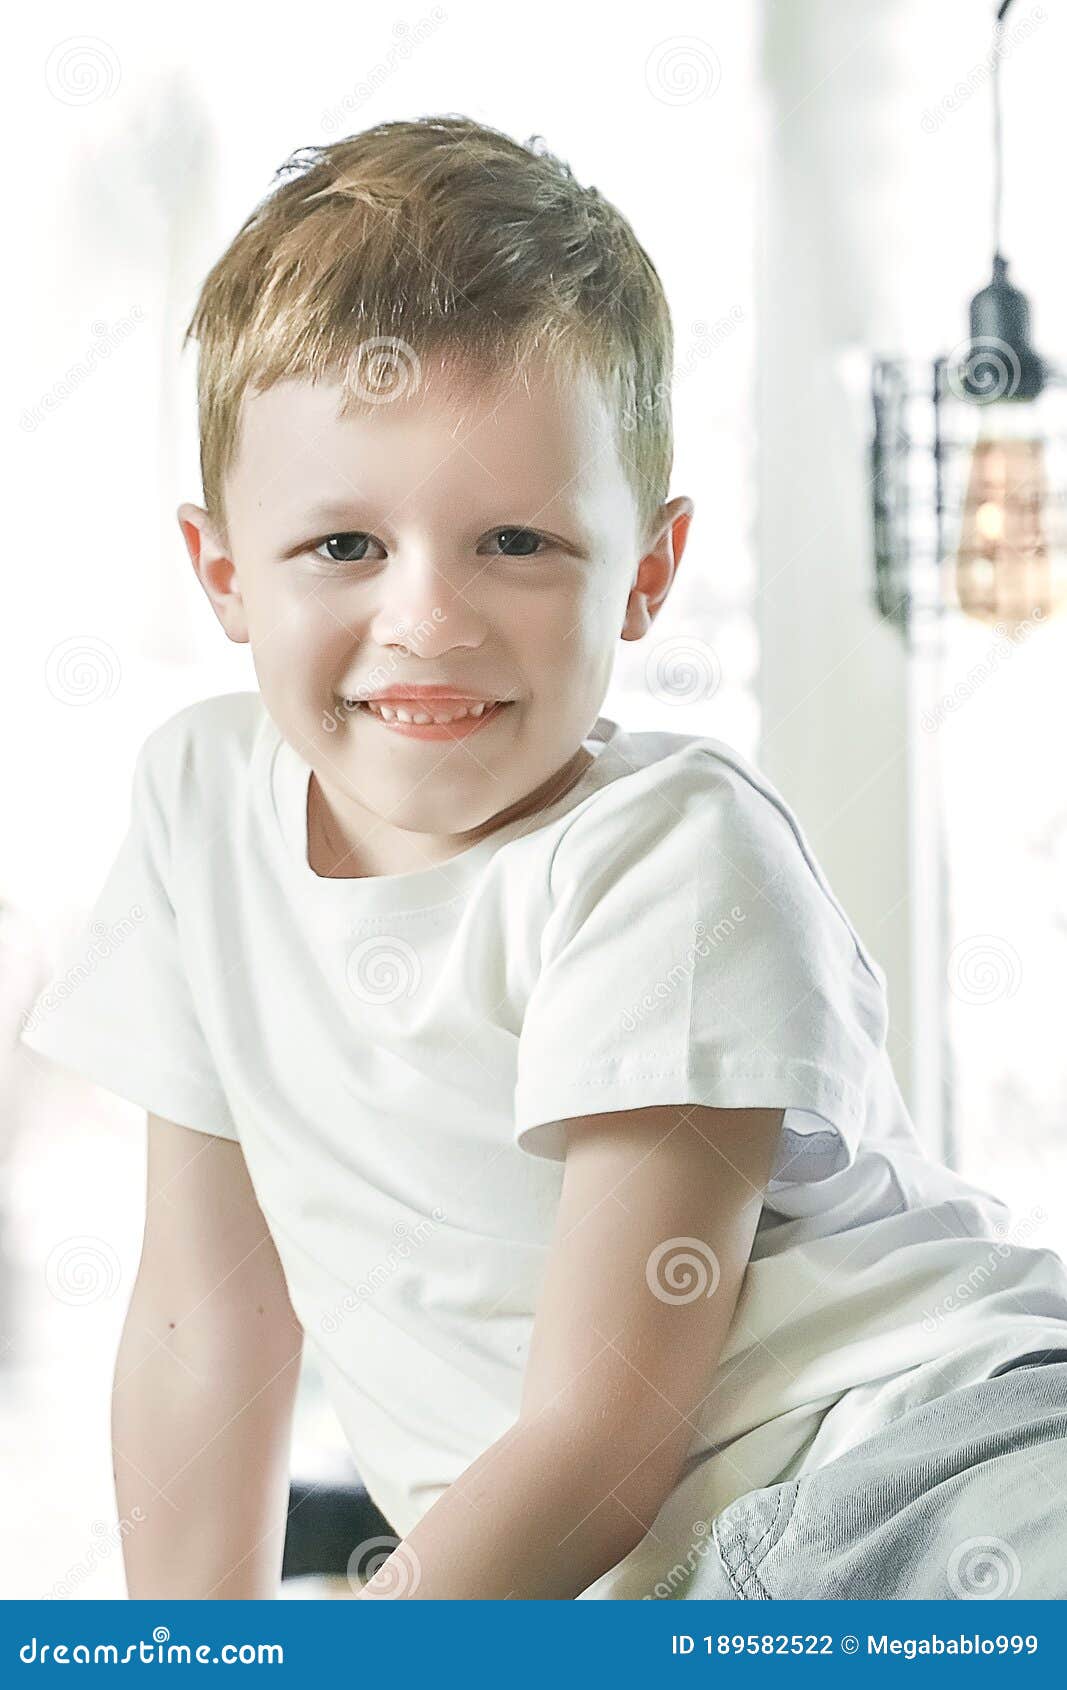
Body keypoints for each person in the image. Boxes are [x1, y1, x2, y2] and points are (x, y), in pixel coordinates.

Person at [19, 115, 1067, 1602]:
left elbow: (605, 1428)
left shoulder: (667, 854)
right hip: (659, 1587)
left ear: (647, 573)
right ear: (223, 573)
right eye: (342, 547)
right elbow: (204, 1316)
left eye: (516, 540)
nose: (430, 619)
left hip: (929, 1452)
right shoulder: (197, 808)